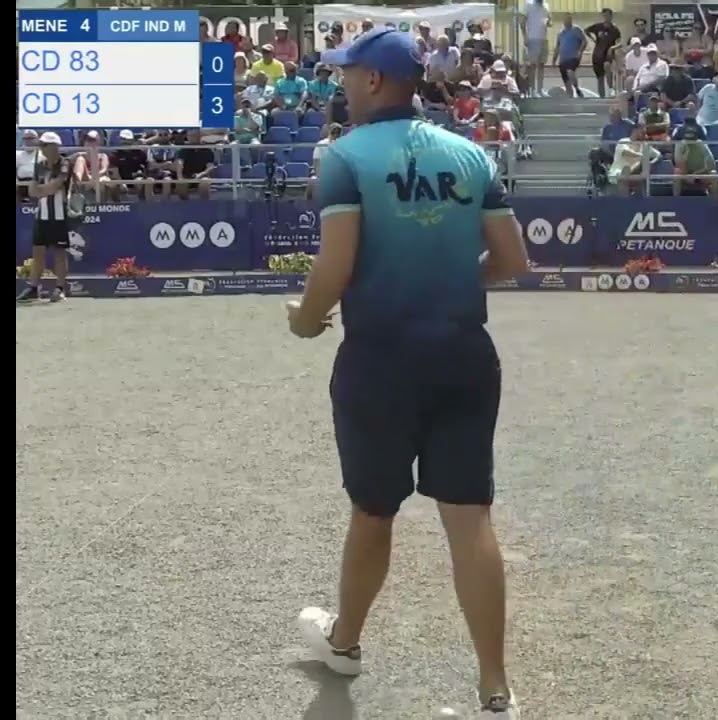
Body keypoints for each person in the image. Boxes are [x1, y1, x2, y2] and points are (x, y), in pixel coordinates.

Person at [291, 28, 527, 718]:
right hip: (464, 354)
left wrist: (306, 319)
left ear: (372, 81)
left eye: (347, 72)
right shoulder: (470, 153)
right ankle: (495, 687)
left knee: (373, 510)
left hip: (381, 359)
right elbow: (512, 260)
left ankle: (345, 643)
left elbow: (335, 265)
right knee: (470, 518)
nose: (340, 82)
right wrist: (453, 280)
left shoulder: (345, 157)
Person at [17, 132, 74, 303]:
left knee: (59, 252)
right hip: (41, 214)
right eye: (41, 145)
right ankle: (34, 288)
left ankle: (60, 288)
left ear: (55, 146)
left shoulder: (65, 163)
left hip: (59, 215)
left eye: (44, 145)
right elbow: (32, 191)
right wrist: (45, 189)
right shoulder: (39, 165)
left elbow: (56, 185)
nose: (41, 148)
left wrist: (42, 189)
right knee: (38, 251)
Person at [584, 9, 622, 98]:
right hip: (597, 54)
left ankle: (611, 88)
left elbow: (620, 43)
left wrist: (613, 48)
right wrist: (593, 38)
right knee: (600, 77)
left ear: (611, 16)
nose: (606, 17)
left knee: (607, 66)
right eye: (605, 15)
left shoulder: (614, 29)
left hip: (608, 53)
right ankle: (602, 97)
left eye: (608, 15)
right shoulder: (598, 26)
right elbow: (586, 30)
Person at [521, 0, 551, 97]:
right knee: (532, 65)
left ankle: (540, 89)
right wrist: (525, 36)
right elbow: (522, 22)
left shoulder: (546, 5)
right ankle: (532, 90)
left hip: (544, 38)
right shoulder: (528, 4)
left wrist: (548, 22)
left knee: (541, 64)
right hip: (533, 38)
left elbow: (548, 19)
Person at [553, 15, 588, 97]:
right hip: (563, 60)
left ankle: (577, 88)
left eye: (568, 19)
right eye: (565, 19)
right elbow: (557, 47)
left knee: (570, 71)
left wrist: (580, 51)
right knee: (566, 81)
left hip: (573, 57)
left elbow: (584, 41)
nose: (567, 21)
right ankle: (570, 97)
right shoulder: (561, 33)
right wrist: (554, 59)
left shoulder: (576, 29)